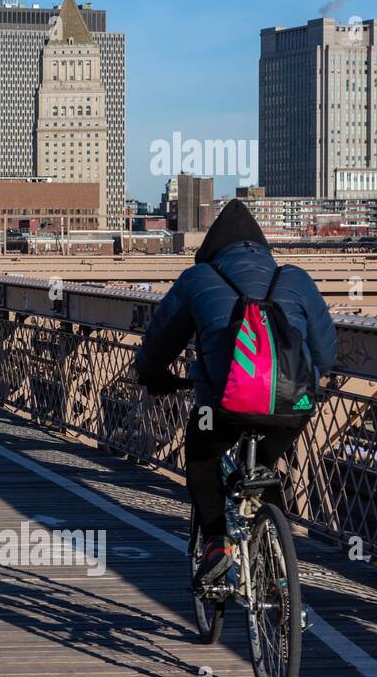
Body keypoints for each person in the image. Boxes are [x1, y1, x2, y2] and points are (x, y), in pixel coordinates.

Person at [135, 199, 336, 587]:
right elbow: (326, 355)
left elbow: (160, 343)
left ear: (212, 249)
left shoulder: (198, 279)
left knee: (201, 452)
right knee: (264, 464)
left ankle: (215, 545)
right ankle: (280, 566)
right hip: (291, 404)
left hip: (220, 408)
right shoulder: (295, 278)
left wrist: (151, 374)